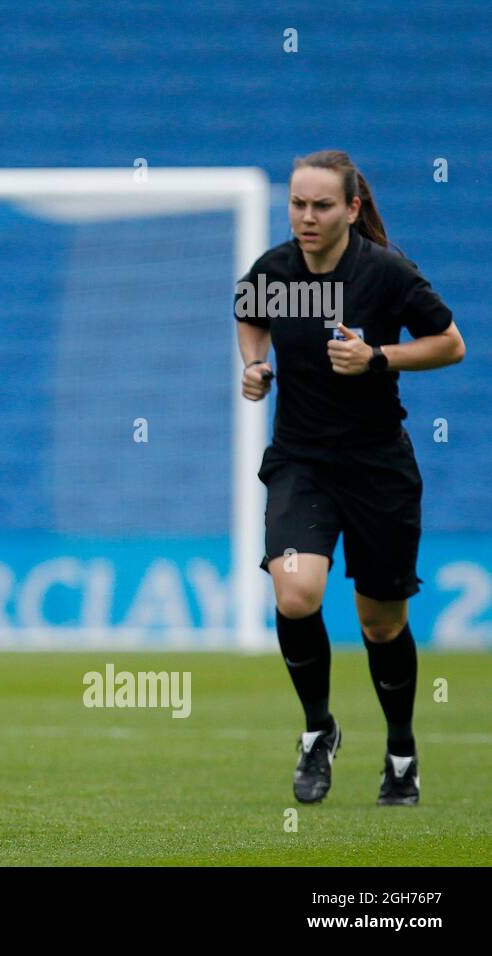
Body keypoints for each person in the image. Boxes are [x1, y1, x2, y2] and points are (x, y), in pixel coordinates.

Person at [235, 149, 465, 806]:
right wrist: (256, 365)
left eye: (322, 206)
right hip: (301, 461)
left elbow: (451, 343)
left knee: (381, 624)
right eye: (298, 205)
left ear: (352, 209)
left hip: (377, 467)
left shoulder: (386, 273)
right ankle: (317, 732)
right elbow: (251, 319)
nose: (307, 217)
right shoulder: (273, 270)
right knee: (296, 594)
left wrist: (378, 357)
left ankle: (401, 750)